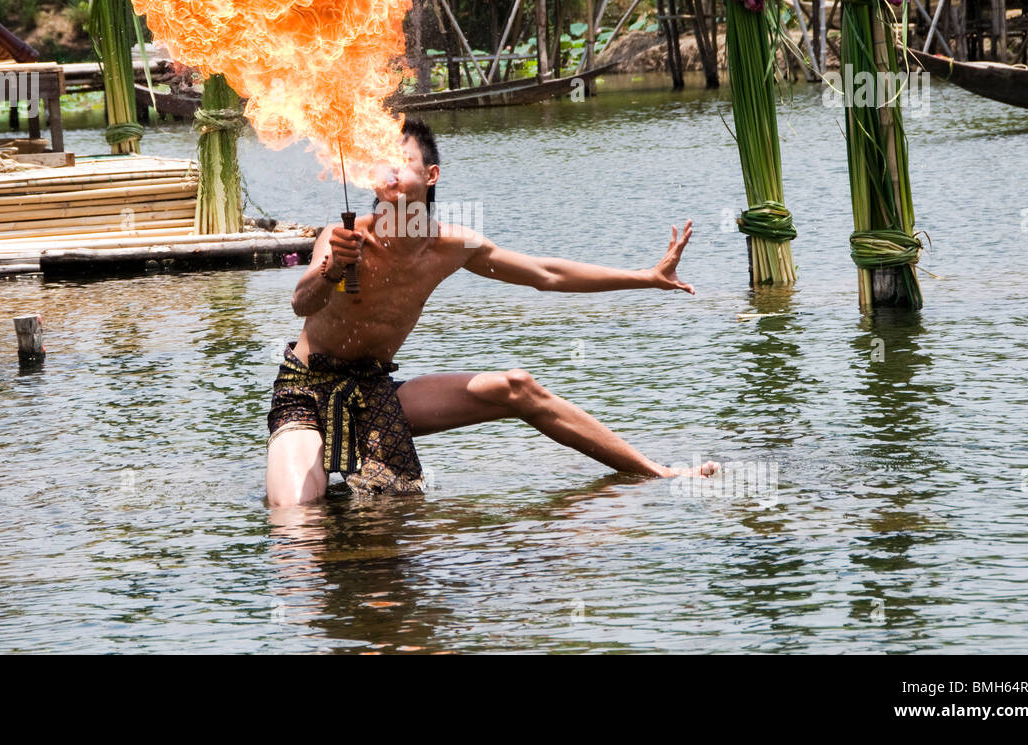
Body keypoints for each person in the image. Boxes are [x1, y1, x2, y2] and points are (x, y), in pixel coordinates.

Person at [264, 118, 719, 506]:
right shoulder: (344, 237)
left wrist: (646, 276)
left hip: (376, 393)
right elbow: (301, 301)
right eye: (380, 161)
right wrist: (331, 269)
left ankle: (656, 472)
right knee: (299, 512)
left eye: (402, 160)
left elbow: (547, 274)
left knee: (517, 387)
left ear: (432, 174)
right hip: (306, 391)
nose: (390, 170)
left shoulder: (452, 246)